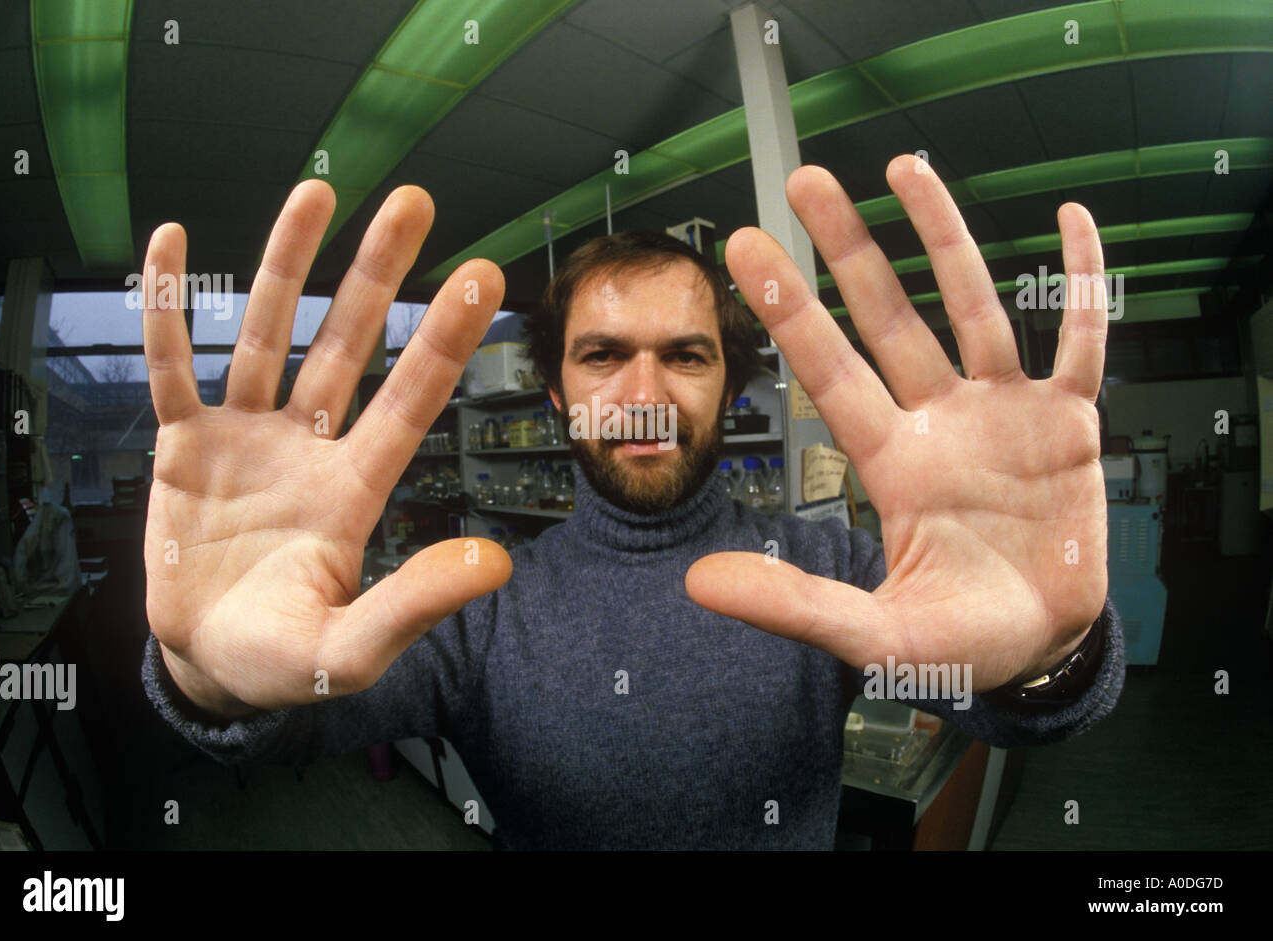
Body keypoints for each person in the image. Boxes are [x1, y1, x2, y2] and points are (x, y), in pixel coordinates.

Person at [140, 157, 1125, 849]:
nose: (645, 390)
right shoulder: (476, 601)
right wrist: (205, 674)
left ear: (727, 388)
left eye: (685, 354)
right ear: (560, 397)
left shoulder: (828, 563)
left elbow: (1007, 700)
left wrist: (1049, 652)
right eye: (604, 355)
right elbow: (291, 713)